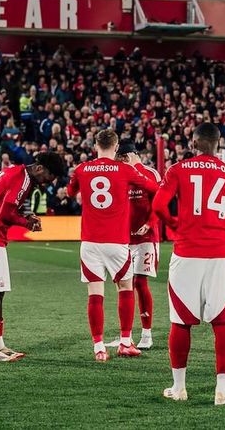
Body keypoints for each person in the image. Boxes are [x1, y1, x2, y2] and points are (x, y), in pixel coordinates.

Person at [151, 122, 225, 406]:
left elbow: (158, 206)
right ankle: (221, 391)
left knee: (181, 323)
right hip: (219, 258)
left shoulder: (178, 170)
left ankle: (179, 388)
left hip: (186, 256)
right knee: (222, 323)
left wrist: (174, 225)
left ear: (194, 143)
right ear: (219, 144)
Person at [67, 130, 160, 361]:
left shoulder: (81, 169)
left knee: (95, 293)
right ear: (116, 145)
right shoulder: (125, 169)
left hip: (90, 241)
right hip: (117, 241)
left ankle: (99, 347)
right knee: (126, 289)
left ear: (95, 145)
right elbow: (155, 188)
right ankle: (126, 342)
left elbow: (71, 192)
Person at [0, 152, 66, 362]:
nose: (47, 183)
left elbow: (5, 205)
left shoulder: (14, 171)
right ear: (39, 168)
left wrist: (24, 216)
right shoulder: (23, 179)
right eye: (48, 177)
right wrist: (26, 222)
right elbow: (4, 213)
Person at [105, 140, 162, 350]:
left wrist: (149, 224)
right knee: (123, 285)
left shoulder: (151, 174)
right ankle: (125, 337)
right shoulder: (121, 175)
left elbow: (160, 202)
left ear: (126, 157)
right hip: (124, 239)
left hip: (146, 239)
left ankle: (146, 335)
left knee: (139, 283)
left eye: (119, 159)